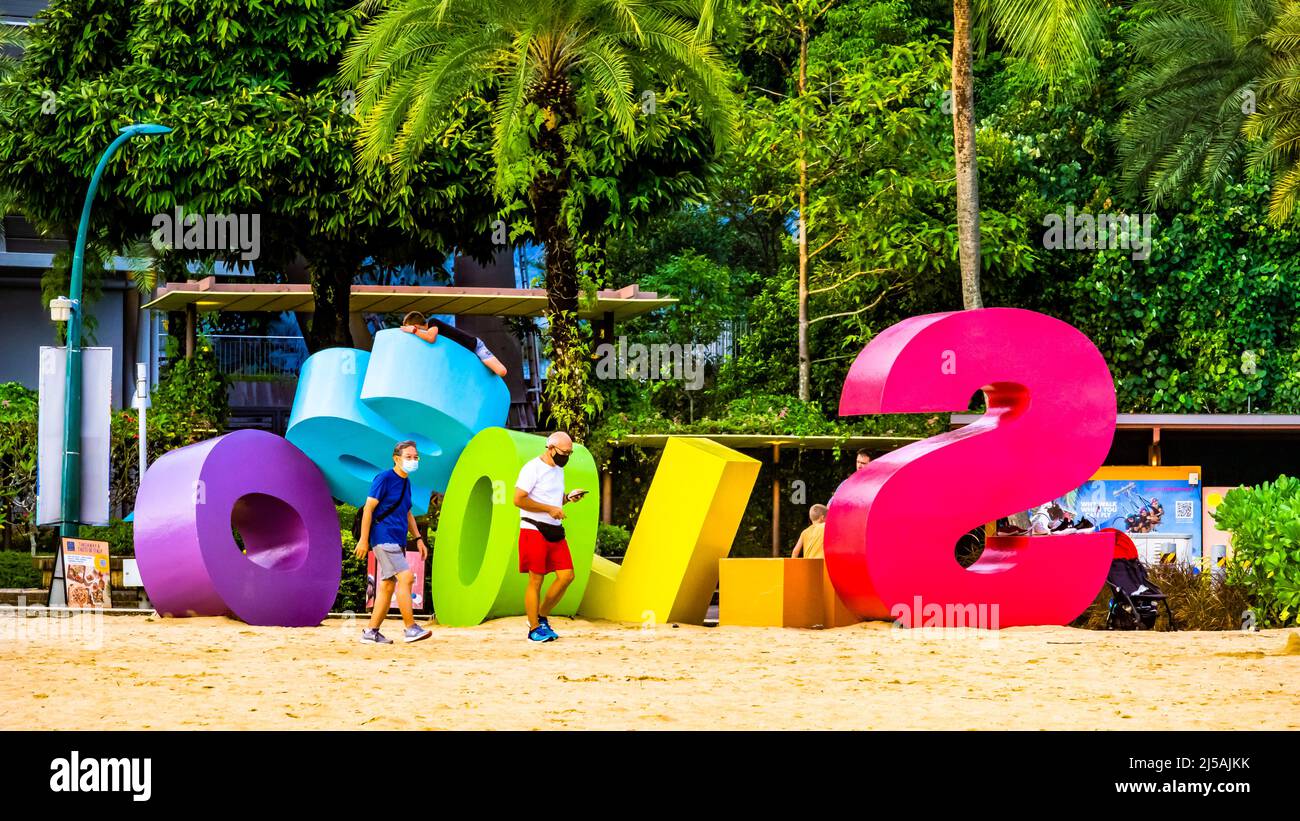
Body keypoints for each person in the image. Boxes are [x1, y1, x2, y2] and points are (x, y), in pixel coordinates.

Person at [354, 440, 432, 644]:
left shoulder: (406, 483)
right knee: (406, 578)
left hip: (398, 539)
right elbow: (369, 509)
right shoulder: (385, 478)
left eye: (415, 457)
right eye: (408, 457)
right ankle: (410, 628)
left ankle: (371, 632)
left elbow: (407, 513)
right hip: (383, 537)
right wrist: (364, 540)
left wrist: (419, 539)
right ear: (396, 459)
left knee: (388, 585)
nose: (413, 461)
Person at [514, 431, 587, 642]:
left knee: (567, 576)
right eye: (565, 452)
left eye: (570, 453)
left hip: (554, 529)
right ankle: (534, 629)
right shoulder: (532, 468)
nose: (567, 456)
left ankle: (541, 615)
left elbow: (553, 500)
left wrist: (567, 498)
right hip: (533, 528)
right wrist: (549, 509)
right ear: (551, 448)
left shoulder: (558, 470)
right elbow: (518, 499)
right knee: (536, 579)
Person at [399, 310, 508, 377]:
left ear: (416, 326)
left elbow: (431, 338)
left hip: (475, 347)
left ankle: (487, 366)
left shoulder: (433, 323)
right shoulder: (425, 335)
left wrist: (413, 331)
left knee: (501, 371)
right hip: (466, 355)